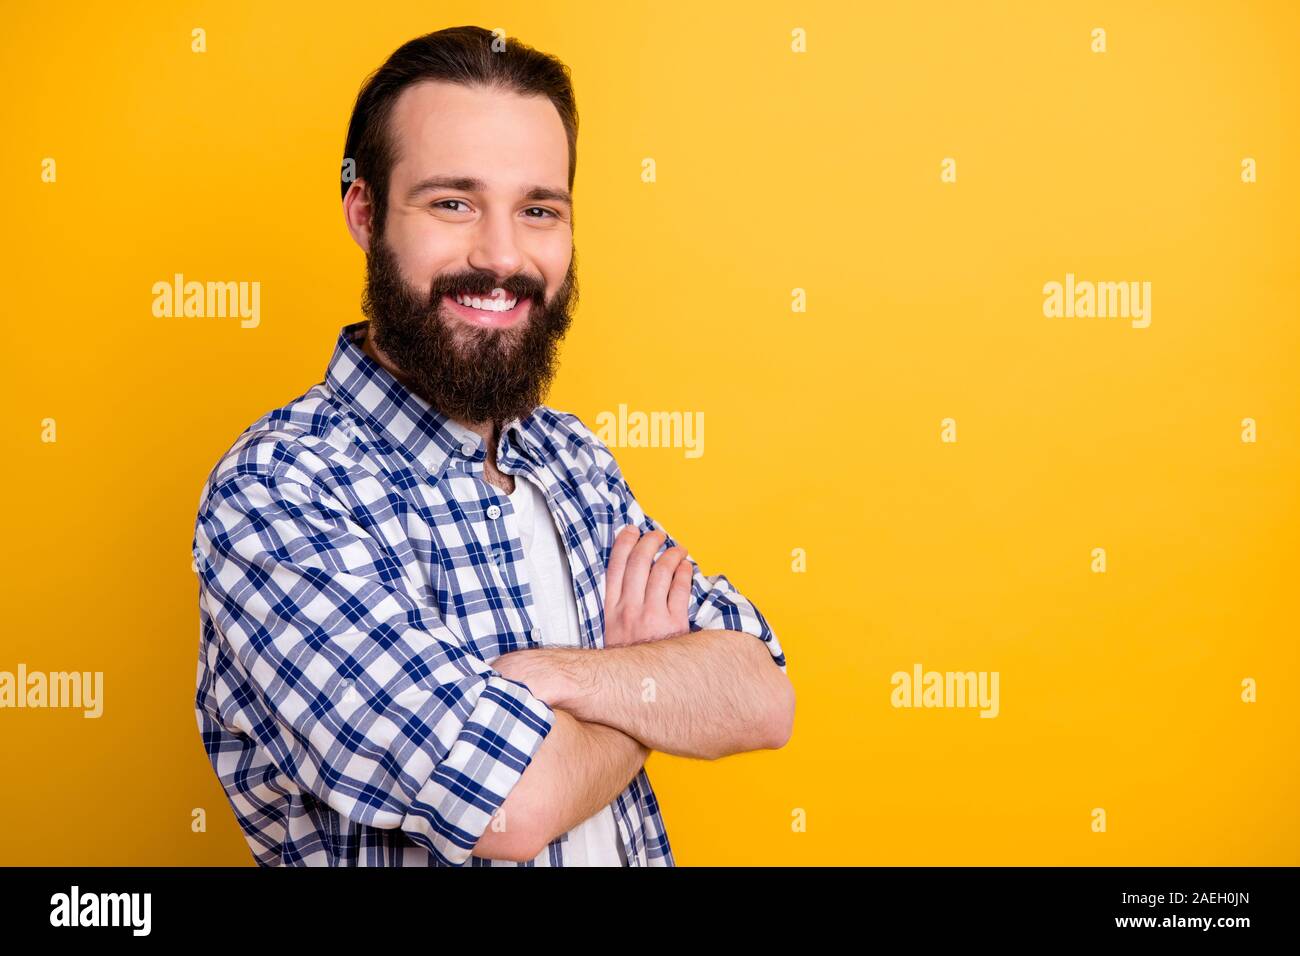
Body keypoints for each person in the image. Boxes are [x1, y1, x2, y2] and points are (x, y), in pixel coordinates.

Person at [192, 25, 793, 867]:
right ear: (365, 211)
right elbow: (509, 808)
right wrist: (648, 681)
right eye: (452, 203)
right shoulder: (280, 488)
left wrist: (573, 677)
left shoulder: (574, 461)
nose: (502, 256)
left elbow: (761, 696)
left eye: (538, 210)